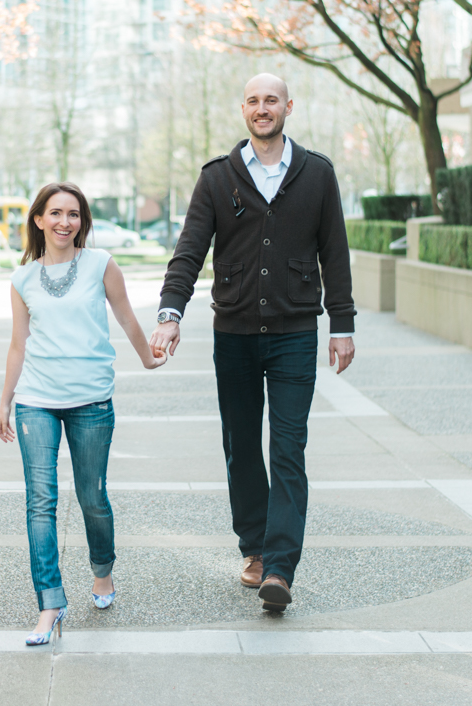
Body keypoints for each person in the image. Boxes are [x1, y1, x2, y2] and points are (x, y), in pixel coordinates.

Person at [150, 73, 356, 613]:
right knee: (242, 446)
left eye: (272, 100)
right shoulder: (218, 178)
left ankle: (280, 570)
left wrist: (342, 324)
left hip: (293, 335)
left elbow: (335, 253)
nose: (263, 109)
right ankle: (255, 548)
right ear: (243, 109)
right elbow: (189, 251)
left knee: (288, 449)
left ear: (289, 107)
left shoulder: (317, 174)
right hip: (235, 336)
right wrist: (170, 314)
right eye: (254, 101)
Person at [0, 181, 165, 646]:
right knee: (40, 502)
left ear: (82, 221)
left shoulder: (100, 264)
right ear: (38, 220)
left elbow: (127, 315)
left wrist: (147, 355)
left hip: (91, 399)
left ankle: (102, 571)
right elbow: (18, 344)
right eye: (55, 213)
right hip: (37, 400)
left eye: (73, 214)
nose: (64, 222)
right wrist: (5, 400)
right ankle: (50, 603)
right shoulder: (22, 279)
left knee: (92, 496)